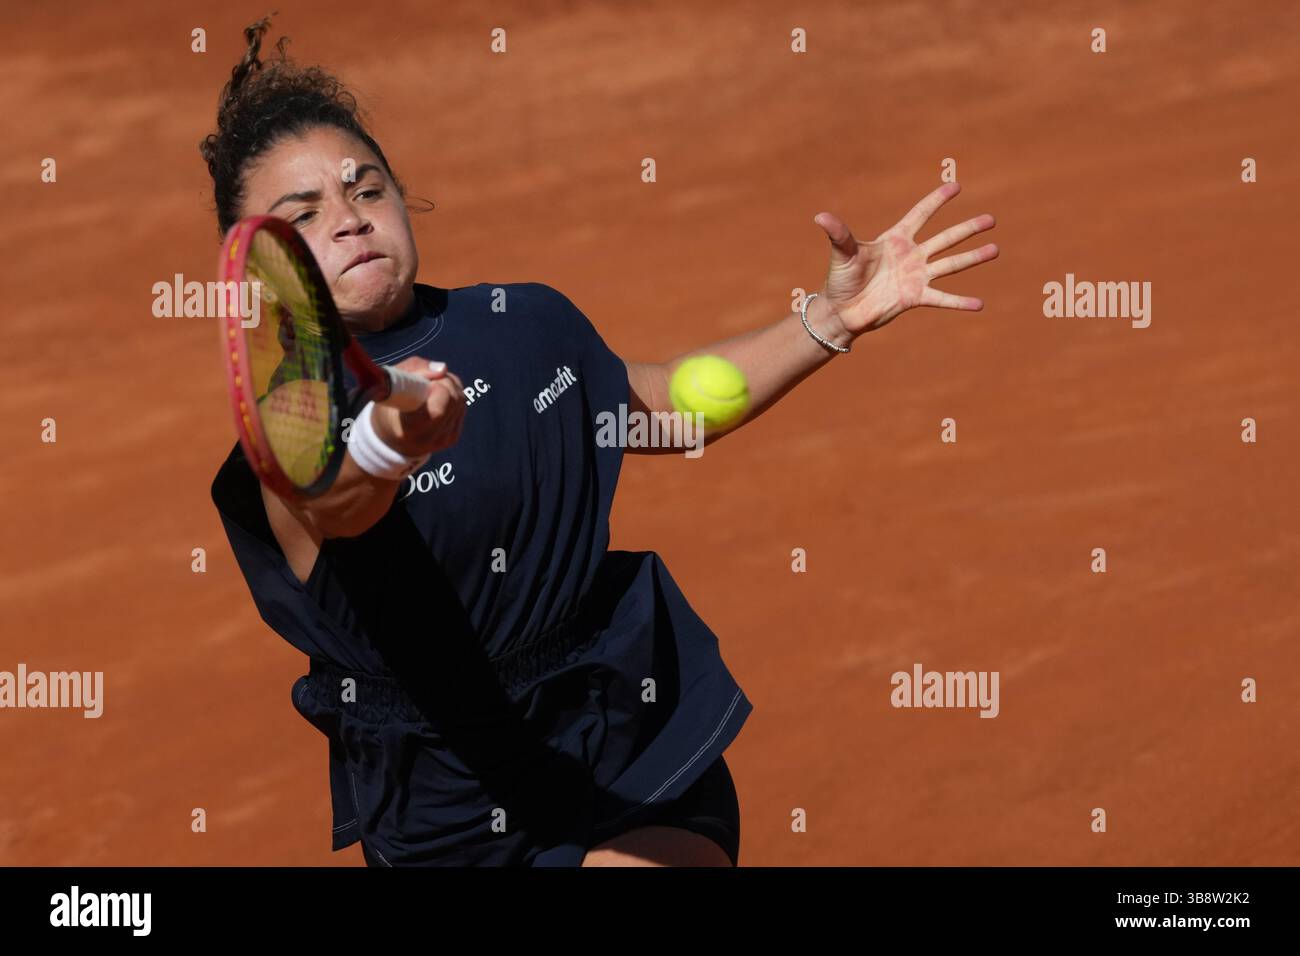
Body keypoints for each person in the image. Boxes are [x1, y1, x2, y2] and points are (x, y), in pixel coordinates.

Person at [204, 15, 998, 867]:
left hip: (617, 723)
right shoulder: (293, 424)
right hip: (447, 793)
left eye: (368, 189)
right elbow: (340, 502)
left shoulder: (526, 323)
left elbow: (663, 407)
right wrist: (391, 447)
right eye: (306, 214)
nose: (351, 219)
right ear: (261, 270)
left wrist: (830, 320)